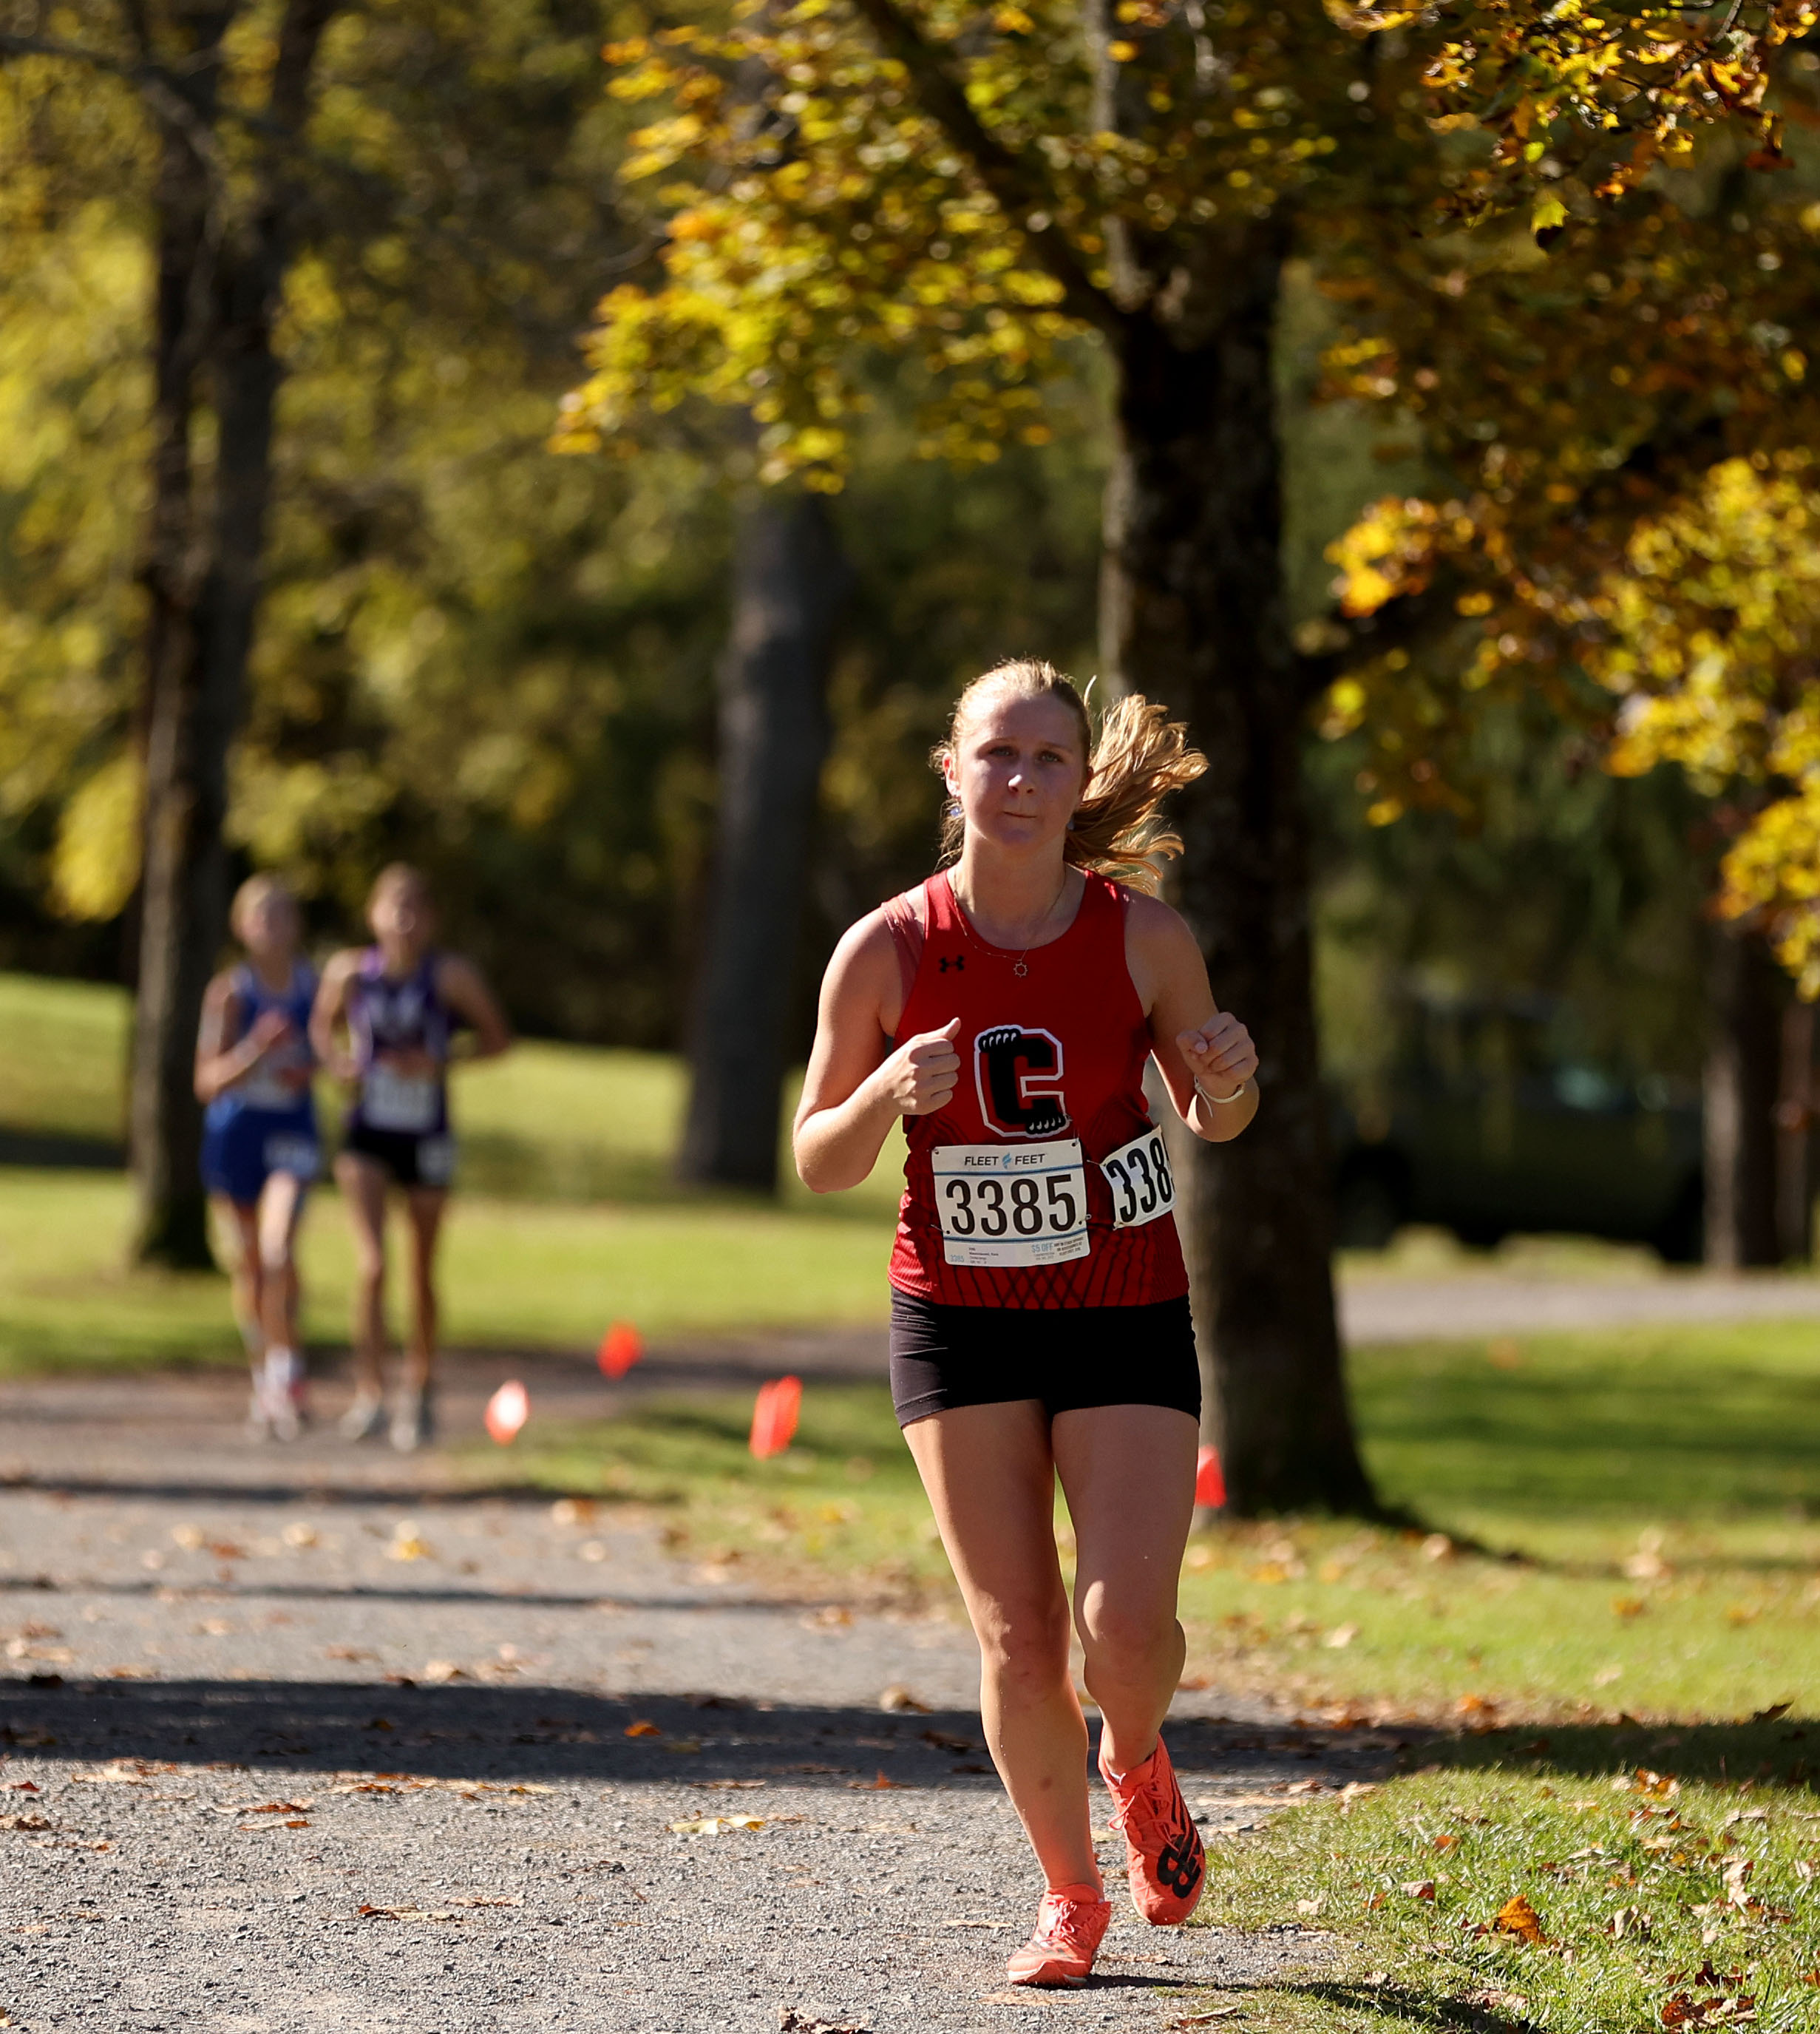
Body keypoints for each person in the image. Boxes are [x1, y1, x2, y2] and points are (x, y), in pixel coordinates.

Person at [793, 660, 1260, 1988]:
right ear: (951, 771)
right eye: (995, 754)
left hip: (1120, 1309)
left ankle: (1140, 1749)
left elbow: (1215, 1113)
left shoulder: (1141, 937)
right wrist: (885, 1087)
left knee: (1120, 1634)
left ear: (1075, 782)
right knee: (1017, 1636)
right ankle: (1069, 1896)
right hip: (960, 1323)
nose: (1019, 779)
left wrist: (1229, 1079)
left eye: (1047, 758)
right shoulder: (886, 949)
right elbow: (817, 1155)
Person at [310, 865, 511, 1451]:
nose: (404, 918)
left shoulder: (450, 976)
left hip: (427, 1133)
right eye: (393, 905)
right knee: (372, 1264)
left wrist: (440, 1063)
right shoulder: (349, 973)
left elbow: (500, 1039)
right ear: (372, 913)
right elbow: (320, 1030)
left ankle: (419, 1389)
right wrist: (338, 1063)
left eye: (416, 906)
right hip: (367, 1131)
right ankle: (370, 1392)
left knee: (421, 1269)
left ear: (432, 919)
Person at [195, 873, 322, 1442]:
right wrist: (256, 1052)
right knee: (249, 1265)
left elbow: (334, 1056)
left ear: (295, 925)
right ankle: (265, 1375)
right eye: (260, 915)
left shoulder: (313, 989)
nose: (271, 926)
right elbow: (207, 1080)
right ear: (242, 926)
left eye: (281, 914)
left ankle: (286, 1372)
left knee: (277, 1250)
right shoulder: (231, 993)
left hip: (291, 1133)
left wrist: (310, 1068)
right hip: (237, 1136)